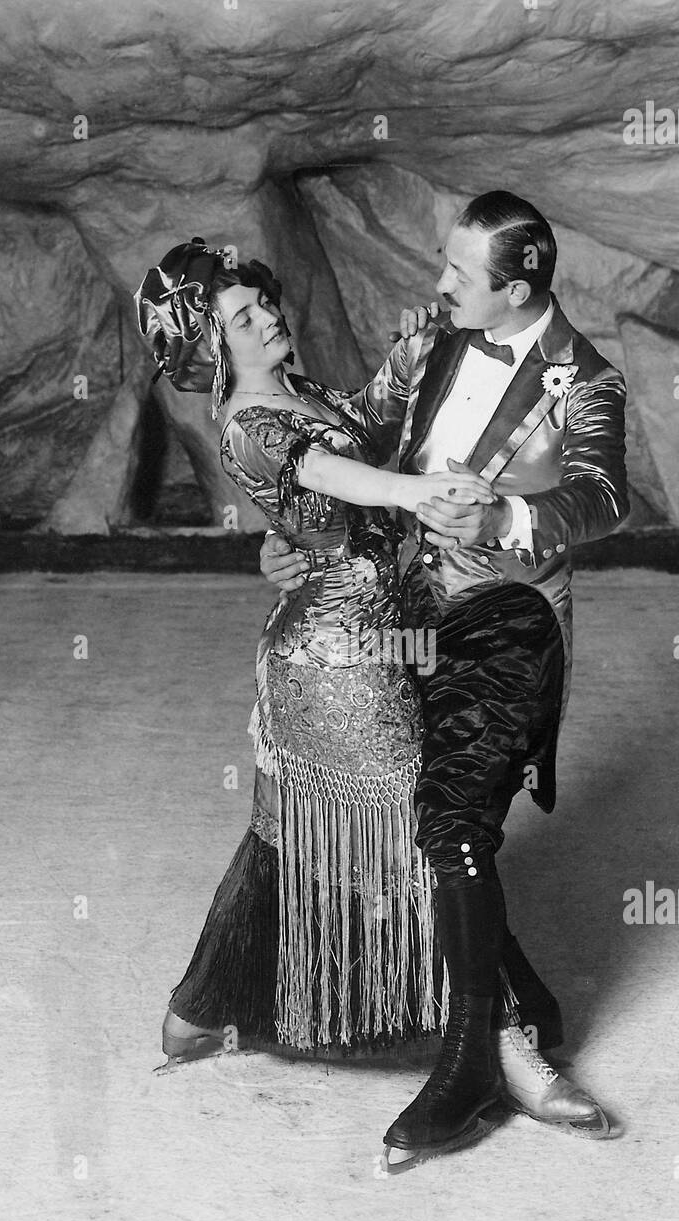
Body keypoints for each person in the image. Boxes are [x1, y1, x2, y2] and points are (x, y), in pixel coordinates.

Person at [260, 191, 629, 1170]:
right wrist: (289, 518)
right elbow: (364, 432)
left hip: (508, 624)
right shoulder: (430, 340)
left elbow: (600, 496)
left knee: (452, 822)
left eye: (463, 273)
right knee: (388, 795)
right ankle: (520, 1020)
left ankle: (471, 1064)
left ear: (520, 286)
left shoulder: (587, 381)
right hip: (401, 609)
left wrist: (504, 518)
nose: (442, 284)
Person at [134, 239, 499, 1061]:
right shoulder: (249, 427)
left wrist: (413, 351)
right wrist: (417, 492)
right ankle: (487, 1023)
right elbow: (336, 474)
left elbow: (361, 425)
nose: (266, 315)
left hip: (371, 634)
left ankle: (203, 1006)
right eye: (239, 317)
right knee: (419, 825)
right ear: (207, 349)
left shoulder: (292, 390)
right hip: (338, 662)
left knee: (289, 830)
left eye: (261, 302)